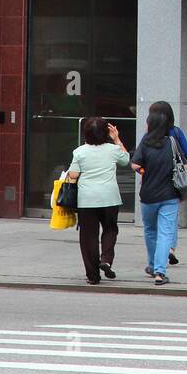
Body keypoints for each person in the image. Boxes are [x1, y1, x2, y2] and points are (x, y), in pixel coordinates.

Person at [66, 118, 130, 285]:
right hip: (110, 198)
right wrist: (117, 139)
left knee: (88, 238)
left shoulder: (79, 152)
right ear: (106, 133)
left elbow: (73, 175)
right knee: (110, 229)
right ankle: (106, 260)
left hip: (87, 200)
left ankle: (93, 275)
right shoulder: (113, 149)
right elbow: (125, 159)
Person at [131, 104, 182, 287]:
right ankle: (160, 272)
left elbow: (135, 165)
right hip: (169, 195)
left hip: (148, 196)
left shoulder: (145, 142)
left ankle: (152, 266)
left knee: (150, 231)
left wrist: (146, 170)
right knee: (165, 234)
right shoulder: (172, 142)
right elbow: (182, 161)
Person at [150, 101, 187, 267]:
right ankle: (170, 249)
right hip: (174, 180)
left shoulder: (150, 134)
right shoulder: (176, 131)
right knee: (171, 217)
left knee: (154, 220)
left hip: (154, 180)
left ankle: (158, 250)